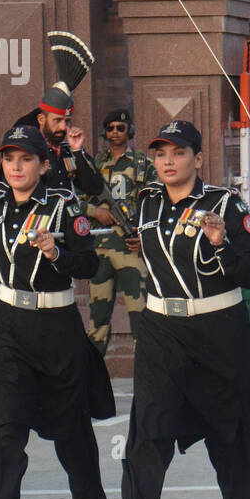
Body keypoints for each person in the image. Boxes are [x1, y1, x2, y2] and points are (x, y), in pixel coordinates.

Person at [111, 120, 250, 499]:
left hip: (218, 328)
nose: (168, 161)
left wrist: (220, 242)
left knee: (230, 431)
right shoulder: (145, 203)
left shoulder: (224, 204)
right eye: (161, 153)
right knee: (148, 434)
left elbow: (248, 272)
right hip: (162, 331)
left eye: (178, 152)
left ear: (197, 158)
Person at [0, 125, 113, 499]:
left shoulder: (65, 206)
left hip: (56, 326)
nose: (15, 166)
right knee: (3, 430)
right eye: (9, 158)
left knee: (69, 428)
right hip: (7, 327)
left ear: (43, 165)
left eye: (26, 158)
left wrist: (56, 255)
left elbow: (89, 263)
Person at [86, 109, 152, 356]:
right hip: (100, 248)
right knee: (98, 319)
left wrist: (143, 234)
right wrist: (95, 212)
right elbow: (74, 200)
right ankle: (92, 379)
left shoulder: (143, 164)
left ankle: (146, 377)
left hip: (129, 248)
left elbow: (154, 203)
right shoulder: (94, 165)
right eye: (110, 128)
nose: (115, 132)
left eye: (120, 128)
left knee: (140, 315)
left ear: (130, 131)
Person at [9, 31, 105, 198]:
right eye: (57, 120)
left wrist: (78, 152)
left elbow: (95, 187)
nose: (63, 127)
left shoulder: (67, 149)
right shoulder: (28, 150)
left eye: (67, 121)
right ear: (41, 119)